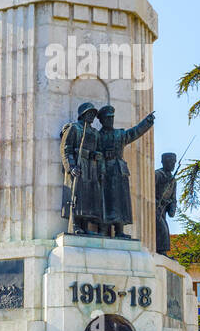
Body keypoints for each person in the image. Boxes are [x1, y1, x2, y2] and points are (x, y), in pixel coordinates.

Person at [96, 104, 155, 239]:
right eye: (107, 118)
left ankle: (119, 229)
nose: (110, 121)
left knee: (120, 201)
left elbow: (134, 132)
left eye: (112, 118)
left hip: (118, 171)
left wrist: (147, 122)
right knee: (104, 199)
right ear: (102, 120)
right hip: (104, 171)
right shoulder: (97, 136)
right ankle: (103, 228)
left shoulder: (119, 134)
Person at [60, 102, 103, 233]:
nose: (92, 116)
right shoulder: (74, 128)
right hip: (78, 166)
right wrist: (71, 167)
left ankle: (85, 226)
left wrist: (97, 155)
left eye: (93, 114)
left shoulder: (95, 133)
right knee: (76, 196)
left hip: (91, 167)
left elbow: (99, 150)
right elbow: (65, 149)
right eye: (89, 113)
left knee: (89, 197)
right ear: (82, 115)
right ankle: (75, 225)